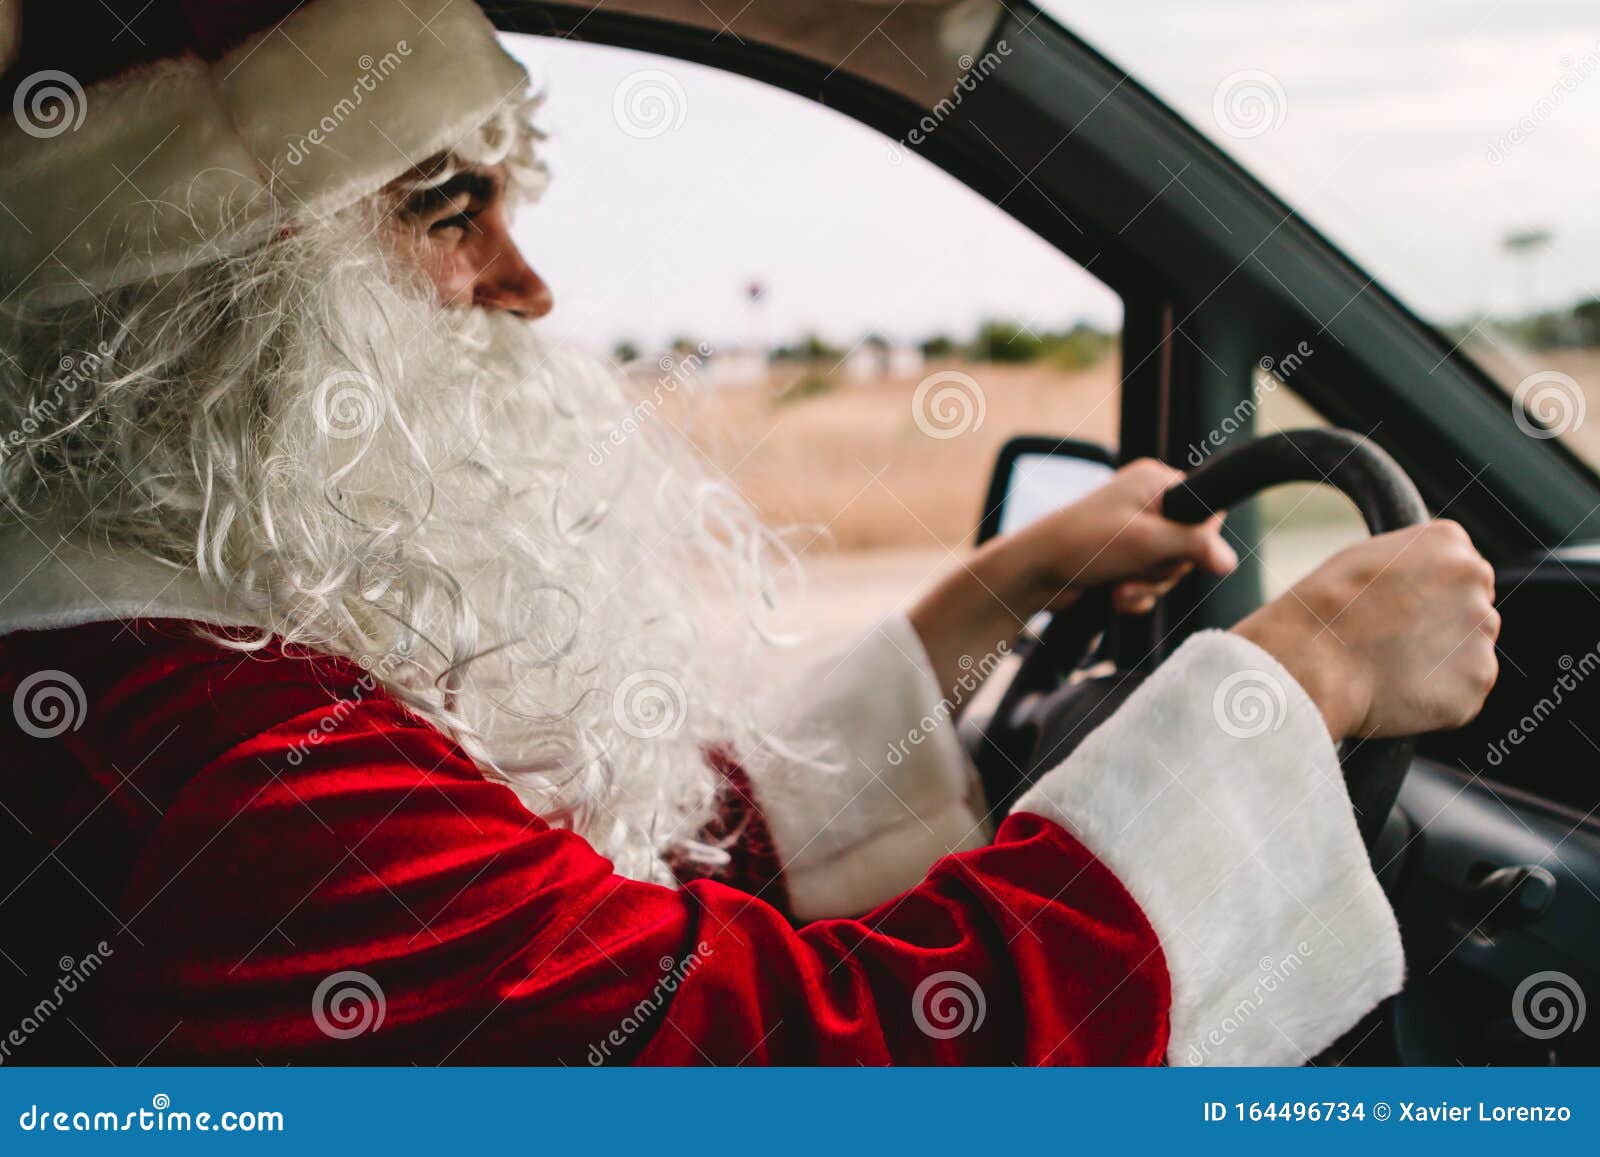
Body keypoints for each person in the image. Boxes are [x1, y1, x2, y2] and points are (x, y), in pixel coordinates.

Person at [0, 0, 1498, 1066]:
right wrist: (1292, 691)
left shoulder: (159, 668)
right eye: (450, 208)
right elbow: (794, 1068)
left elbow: (592, 907)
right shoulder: (248, 773)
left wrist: (988, 596)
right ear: (214, 303)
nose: (527, 286)